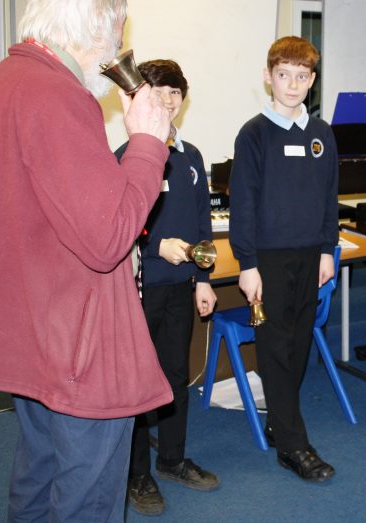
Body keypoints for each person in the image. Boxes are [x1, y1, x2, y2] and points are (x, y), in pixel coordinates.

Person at [0, 0, 175, 522]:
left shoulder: (1, 85)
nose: (119, 45)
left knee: (38, 474)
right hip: (77, 342)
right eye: (118, 31)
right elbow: (109, 238)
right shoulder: (59, 97)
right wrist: (146, 144)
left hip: (36, 329)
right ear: (95, 25)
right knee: (86, 496)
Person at [229, 36, 339, 482]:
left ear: (311, 81)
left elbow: (329, 194)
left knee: (298, 344)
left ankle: (279, 417)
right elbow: (244, 204)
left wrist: (328, 248)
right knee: (274, 347)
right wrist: (247, 263)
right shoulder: (254, 133)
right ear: (267, 76)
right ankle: (294, 445)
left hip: (311, 255)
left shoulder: (321, 134)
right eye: (283, 75)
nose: (291, 85)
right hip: (269, 259)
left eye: (301, 76)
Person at [115, 60, 220, 516]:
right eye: (159, 93)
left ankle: (173, 459)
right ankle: (137, 474)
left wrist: (203, 278)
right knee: (139, 381)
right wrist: (159, 245)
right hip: (141, 288)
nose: (169, 100)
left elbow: (202, 225)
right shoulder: (128, 156)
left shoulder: (192, 156)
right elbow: (120, 225)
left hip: (182, 286)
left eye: (175, 92)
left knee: (175, 375)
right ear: (142, 100)